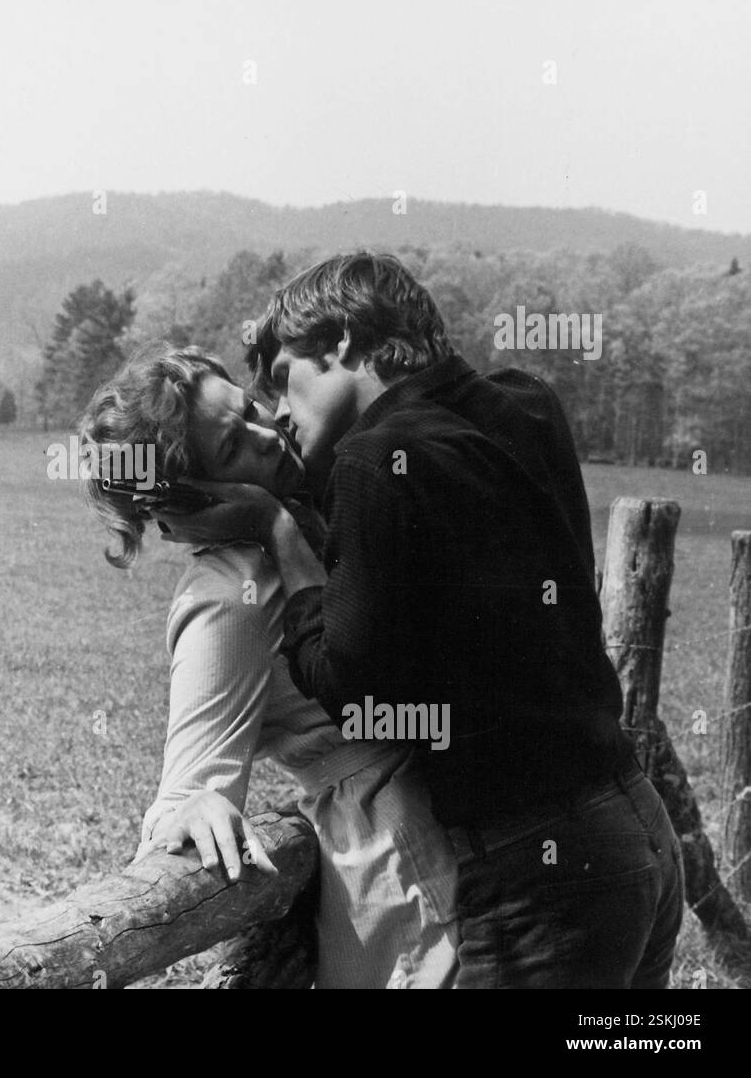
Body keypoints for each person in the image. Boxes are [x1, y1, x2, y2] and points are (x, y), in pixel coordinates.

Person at [166, 252, 684, 988]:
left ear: (344, 342)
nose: (278, 409)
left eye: (284, 377)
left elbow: (349, 686)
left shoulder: (376, 458)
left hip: (544, 869)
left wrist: (279, 528)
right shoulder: (526, 401)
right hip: (638, 826)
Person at [78, 345, 457, 988]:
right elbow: (185, 794)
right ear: (189, 500)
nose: (269, 431)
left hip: (455, 820)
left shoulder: (311, 511)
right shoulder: (228, 596)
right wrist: (193, 808)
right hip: (399, 858)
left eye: (249, 408)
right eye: (234, 448)